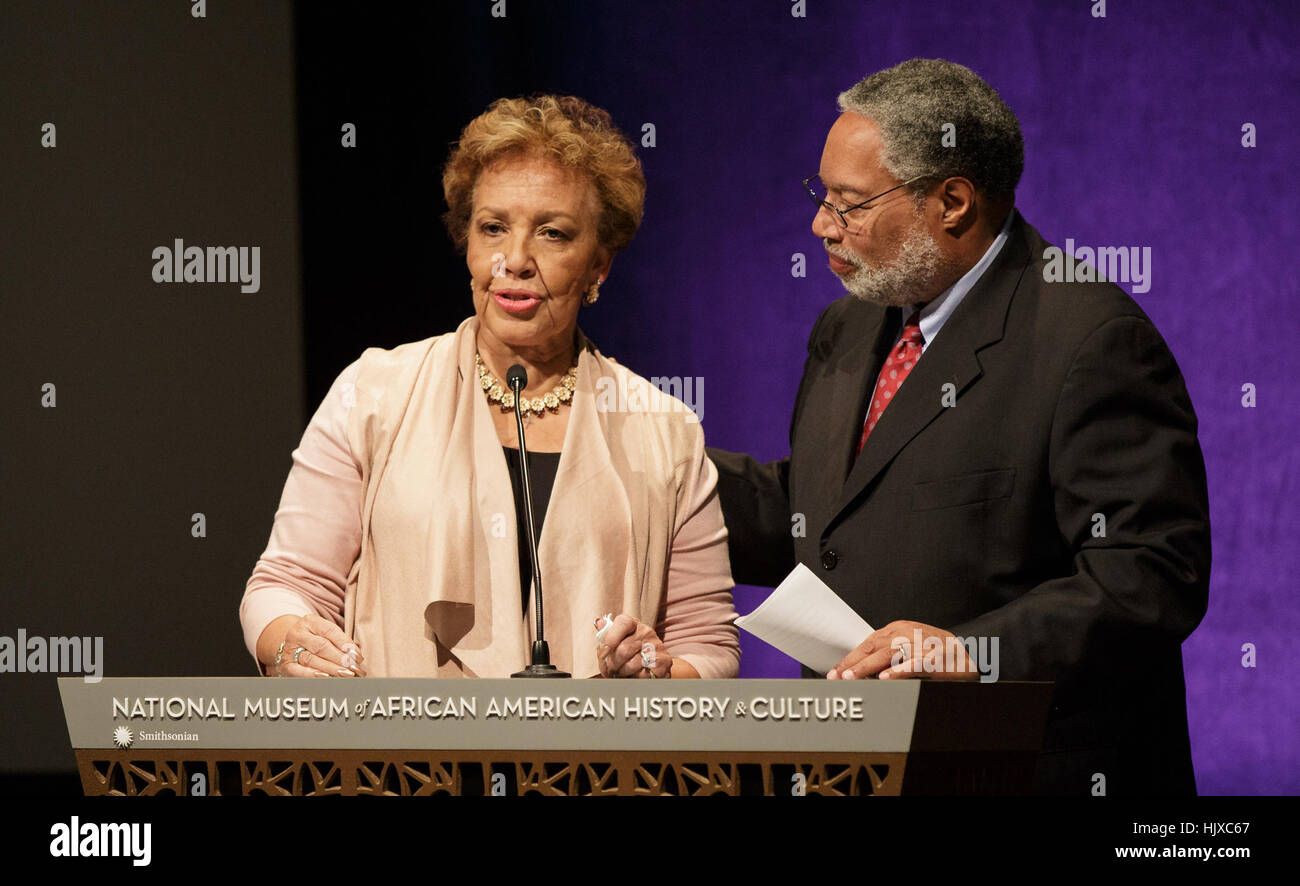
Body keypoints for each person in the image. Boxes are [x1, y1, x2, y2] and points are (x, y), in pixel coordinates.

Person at [707, 59, 1210, 794]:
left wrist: (968, 654)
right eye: (823, 195)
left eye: (849, 203)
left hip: (1022, 772)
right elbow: (824, 522)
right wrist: (650, 458)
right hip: (857, 767)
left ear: (951, 201)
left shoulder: (1089, 341)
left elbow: (1149, 574)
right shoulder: (848, 326)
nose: (821, 224)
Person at [241, 94, 739, 681]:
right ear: (467, 243)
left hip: (592, 771)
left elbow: (707, 645)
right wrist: (290, 646)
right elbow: (285, 585)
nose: (515, 260)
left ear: (599, 263)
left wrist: (654, 671)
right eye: (494, 228)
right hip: (400, 766)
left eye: (553, 234)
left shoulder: (666, 433)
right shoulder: (374, 393)